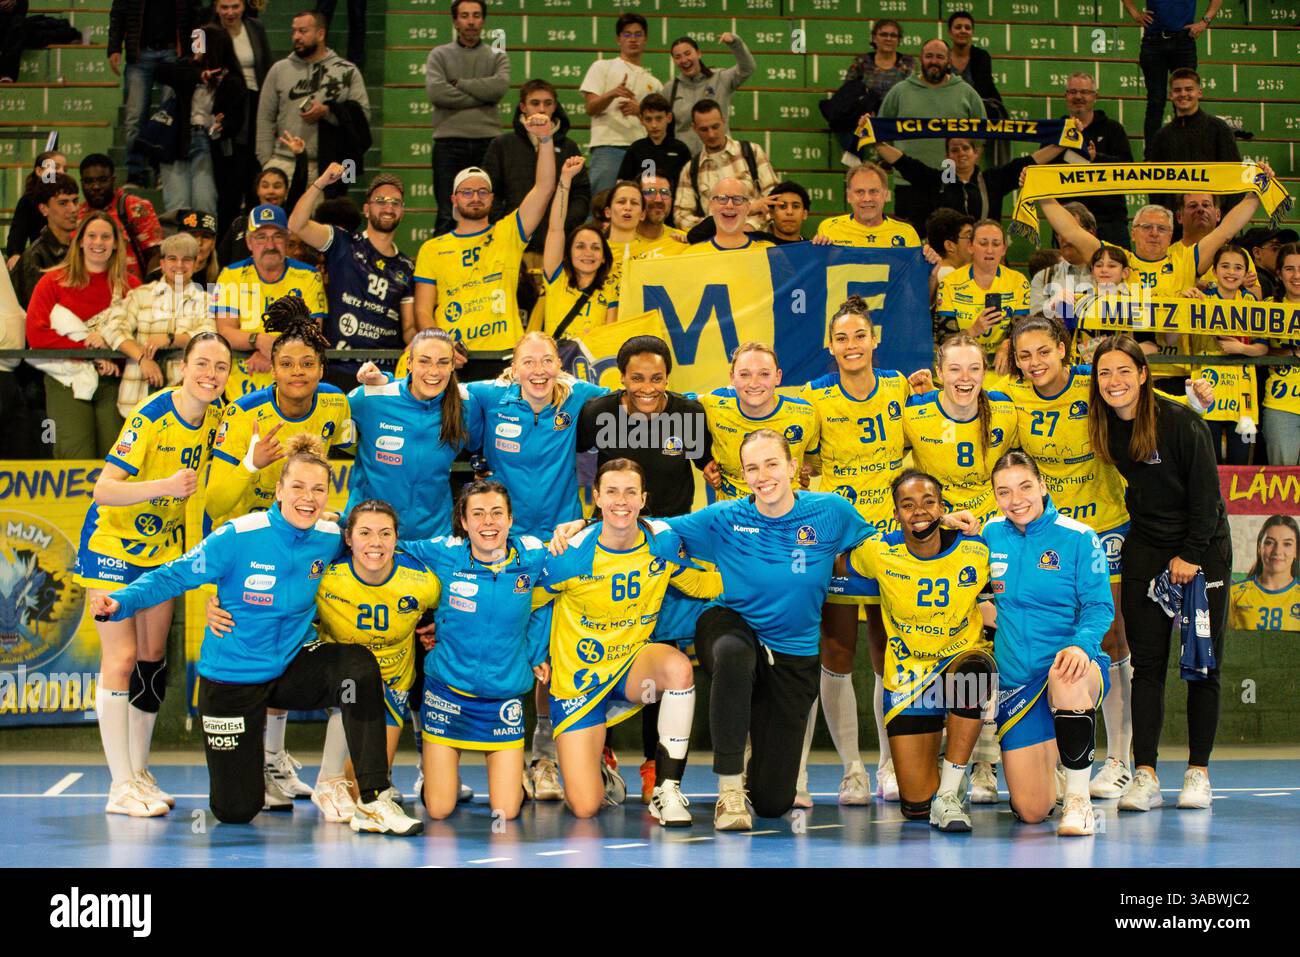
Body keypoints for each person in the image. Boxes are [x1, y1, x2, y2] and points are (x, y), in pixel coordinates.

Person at [91, 433, 422, 834]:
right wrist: (121, 601)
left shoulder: (331, 537)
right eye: (297, 486)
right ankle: (253, 771)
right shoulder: (238, 536)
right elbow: (173, 575)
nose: (308, 497)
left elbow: (380, 556)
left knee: (356, 667)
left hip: (291, 668)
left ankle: (373, 798)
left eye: (318, 489)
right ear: (279, 489)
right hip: (232, 678)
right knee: (235, 809)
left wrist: (428, 616)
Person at [75, 332, 231, 817]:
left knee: (152, 655)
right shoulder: (151, 417)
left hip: (160, 550)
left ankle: (138, 773)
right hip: (111, 547)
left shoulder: (216, 416)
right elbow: (104, 490)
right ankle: (119, 785)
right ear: (183, 366)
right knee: (120, 658)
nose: (210, 374)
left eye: (221, 367)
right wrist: (165, 486)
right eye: (202, 364)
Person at [1088, 335, 1232, 813]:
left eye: (1124, 371)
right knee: (1146, 666)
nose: (1114, 382)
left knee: (1202, 666)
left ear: (1144, 375)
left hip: (1202, 549)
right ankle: (1144, 774)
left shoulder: (1180, 422)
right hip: (1146, 551)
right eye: (1105, 373)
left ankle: (1198, 773)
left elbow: (1208, 498)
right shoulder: (1105, 426)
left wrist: (1191, 555)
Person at [575, 335, 714, 802]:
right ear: (621, 379)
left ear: (669, 379)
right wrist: (582, 525)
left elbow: (712, 469)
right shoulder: (597, 414)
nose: (648, 387)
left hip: (667, 552)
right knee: (604, 650)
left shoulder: (689, 415)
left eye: (657, 378)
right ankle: (601, 753)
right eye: (637, 378)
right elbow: (580, 474)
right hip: (610, 549)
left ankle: (658, 771)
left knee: (665, 655)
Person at [538, 459, 715, 825]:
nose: (622, 500)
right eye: (613, 492)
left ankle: (666, 789)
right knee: (585, 807)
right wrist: (535, 653)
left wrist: (759, 584)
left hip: (631, 673)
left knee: (678, 669)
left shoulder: (661, 542)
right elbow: (530, 601)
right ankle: (598, 767)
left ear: (643, 498)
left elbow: (699, 584)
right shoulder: (568, 553)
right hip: (579, 681)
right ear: (597, 498)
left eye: (631, 492)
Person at [797, 296, 916, 805]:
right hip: (840, 536)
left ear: (875, 339)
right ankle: (852, 769)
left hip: (893, 536)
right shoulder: (813, 396)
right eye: (841, 337)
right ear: (831, 345)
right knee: (837, 650)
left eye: (859, 336)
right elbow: (796, 455)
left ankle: (890, 763)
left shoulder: (899, 385)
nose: (851, 345)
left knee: (890, 651)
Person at [903, 334, 1018, 800]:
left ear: (986, 369)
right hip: (940, 545)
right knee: (942, 648)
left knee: (993, 650)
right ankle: (918, 759)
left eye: (974, 368)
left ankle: (986, 761)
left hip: (994, 546)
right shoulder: (915, 412)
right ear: (939, 370)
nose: (965, 378)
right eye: (955, 369)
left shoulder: (1006, 412)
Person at [848, 470, 993, 832]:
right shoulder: (879, 552)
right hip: (909, 675)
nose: (918, 511)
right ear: (895, 513)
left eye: (929, 503)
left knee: (973, 671)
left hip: (960, 661)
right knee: (914, 806)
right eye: (907, 505)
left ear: (943, 507)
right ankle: (944, 766)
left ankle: (950, 791)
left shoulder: (977, 549)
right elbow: (838, 558)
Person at [400, 481, 550, 820]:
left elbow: (552, 596)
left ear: (511, 520)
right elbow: (386, 548)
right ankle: (440, 776)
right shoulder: (444, 551)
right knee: (439, 809)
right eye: (478, 514)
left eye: (497, 513)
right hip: (446, 692)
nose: (488, 522)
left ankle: (515, 780)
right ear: (464, 523)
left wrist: (537, 650)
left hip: (503, 696)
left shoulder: (533, 555)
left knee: (505, 812)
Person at [985, 451, 1113, 834]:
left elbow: (1099, 607)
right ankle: (1055, 770)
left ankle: (1079, 802)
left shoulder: (1078, 537)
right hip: (1018, 685)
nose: (1016, 499)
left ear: (1042, 485)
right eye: (1003, 492)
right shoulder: (990, 534)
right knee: (1031, 810)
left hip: (1073, 667)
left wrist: (1081, 646)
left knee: (1067, 674)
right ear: (994, 496)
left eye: (1025, 486)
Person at [411, 111, 557, 351]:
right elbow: (423, 310)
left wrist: (545, 139)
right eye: (467, 192)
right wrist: (442, 348)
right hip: (454, 356)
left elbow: (544, 187)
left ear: (491, 198)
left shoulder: (509, 232)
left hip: (504, 353)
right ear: (454, 199)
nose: (475, 197)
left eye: (482, 192)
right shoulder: (432, 248)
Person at [25, 213, 141, 459]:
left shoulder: (132, 286)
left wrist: (110, 348)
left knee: (116, 455)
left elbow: (141, 335)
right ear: (79, 241)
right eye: (92, 236)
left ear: (116, 244)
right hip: (67, 378)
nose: (98, 242)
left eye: (106, 237)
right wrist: (90, 353)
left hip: (115, 380)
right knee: (75, 452)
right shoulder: (52, 282)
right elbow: (36, 335)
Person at [289, 165, 416, 390]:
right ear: (366, 209)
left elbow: (408, 328)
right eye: (381, 201)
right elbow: (296, 225)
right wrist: (321, 183)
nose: (388, 207)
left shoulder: (406, 267)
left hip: (383, 374)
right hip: (339, 367)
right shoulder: (343, 243)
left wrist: (417, 342)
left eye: (395, 202)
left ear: (403, 211)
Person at [347, 330, 476, 542]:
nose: (433, 371)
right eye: (424, 361)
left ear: (453, 365)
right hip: (372, 537)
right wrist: (387, 380)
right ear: (409, 363)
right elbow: (324, 416)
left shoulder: (466, 404)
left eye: (443, 362)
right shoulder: (369, 398)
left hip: (433, 540)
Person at [210, 203, 327, 400]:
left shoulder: (309, 276)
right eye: (261, 237)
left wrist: (273, 353)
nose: (270, 245)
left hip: (294, 391)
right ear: (249, 242)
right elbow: (225, 332)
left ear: (288, 240)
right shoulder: (230, 275)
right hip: (240, 393)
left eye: (277, 237)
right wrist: (258, 340)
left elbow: (313, 331)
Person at [95, 231, 216, 420]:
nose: (179, 265)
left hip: (186, 402)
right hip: (136, 399)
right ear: (162, 264)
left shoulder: (206, 299)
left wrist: (171, 339)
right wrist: (143, 359)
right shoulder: (141, 295)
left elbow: (208, 335)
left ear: (195, 264)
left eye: (186, 259)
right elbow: (113, 327)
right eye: (172, 258)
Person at [876, 39, 986, 230]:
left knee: (953, 242)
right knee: (910, 244)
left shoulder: (966, 93)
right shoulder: (900, 91)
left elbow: (981, 138)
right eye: (929, 56)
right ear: (921, 59)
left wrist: (966, 176)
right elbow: (880, 130)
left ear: (949, 60)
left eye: (939, 57)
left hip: (951, 182)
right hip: (908, 182)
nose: (934, 61)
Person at [256, 10, 370, 188]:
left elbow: (362, 117)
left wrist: (327, 112)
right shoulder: (279, 70)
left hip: (329, 167)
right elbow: (265, 118)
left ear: (320, 34)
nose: (296, 37)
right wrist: (266, 162)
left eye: (302, 31)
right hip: (284, 164)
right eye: (293, 31)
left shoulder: (347, 71)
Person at [425, 0, 510, 236]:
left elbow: (499, 88)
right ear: (455, 21)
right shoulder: (439, 55)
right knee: (446, 212)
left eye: (476, 15)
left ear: (483, 20)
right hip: (448, 143)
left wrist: (459, 84)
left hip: (489, 142)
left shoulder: (497, 54)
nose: (470, 21)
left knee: (490, 210)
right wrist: (483, 96)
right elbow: (437, 93)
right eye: (464, 16)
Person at [483, 79, 589, 261]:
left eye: (548, 103)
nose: (541, 109)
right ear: (523, 107)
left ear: (555, 107)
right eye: (535, 103)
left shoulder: (569, 147)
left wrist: (561, 225)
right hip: (512, 244)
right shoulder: (502, 145)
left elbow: (581, 194)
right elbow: (491, 192)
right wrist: (506, 226)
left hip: (557, 245)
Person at [700, 341, 819, 502]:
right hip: (731, 519)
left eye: (764, 374)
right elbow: (671, 407)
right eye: (744, 374)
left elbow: (814, 467)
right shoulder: (712, 404)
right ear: (732, 377)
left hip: (788, 517)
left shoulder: (805, 414)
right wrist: (704, 462)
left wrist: (801, 473)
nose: (754, 383)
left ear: (778, 377)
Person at [1182, 244, 1265, 464]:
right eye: (1225, 266)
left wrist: (1242, 349)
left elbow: (1263, 347)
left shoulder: (1252, 302)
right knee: (1209, 465)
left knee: (1242, 467)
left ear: (1246, 273)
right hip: (1206, 395)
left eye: (1238, 267)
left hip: (1243, 399)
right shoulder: (1200, 298)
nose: (1231, 272)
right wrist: (1185, 299)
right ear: (1215, 270)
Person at [153, 24, 247, 219]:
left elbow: (236, 120)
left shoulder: (232, 79)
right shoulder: (187, 70)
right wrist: (197, 72)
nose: (195, 47)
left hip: (209, 144)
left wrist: (222, 126)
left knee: (204, 207)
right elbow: (160, 71)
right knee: (177, 207)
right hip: (179, 141)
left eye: (199, 43)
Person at [107, 0, 198, 188]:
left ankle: (163, 173)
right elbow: (118, 14)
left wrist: (199, 48)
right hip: (140, 55)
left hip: (174, 53)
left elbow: (197, 16)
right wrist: (113, 48)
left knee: (170, 119)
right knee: (134, 118)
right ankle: (135, 174)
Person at [873, 136, 1064, 224]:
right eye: (954, 150)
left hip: (987, 253)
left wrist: (1063, 143)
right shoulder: (937, 180)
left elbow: (1029, 162)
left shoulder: (993, 180)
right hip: (948, 258)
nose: (960, 153)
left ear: (976, 153)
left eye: (965, 148)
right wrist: (876, 140)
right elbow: (905, 163)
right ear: (947, 155)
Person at [580, 13, 663, 197]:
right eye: (627, 34)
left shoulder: (654, 83)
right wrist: (612, 94)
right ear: (619, 39)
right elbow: (590, 108)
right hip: (609, 148)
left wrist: (639, 111)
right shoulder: (602, 67)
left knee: (643, 205)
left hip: (643, 150)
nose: (633, 39)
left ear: (645, 39)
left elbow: (662, 122)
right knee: (601, 205)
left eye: (638, 34)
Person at [1122, 0, 1224, 148]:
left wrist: (1204, 21)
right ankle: (1152, 156)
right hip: (1153, 41)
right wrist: (1136, 14)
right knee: (1156, 101)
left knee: (1185, 100)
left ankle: (1185, 153)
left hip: (1184, 40)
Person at [934, 219, 1030, 375]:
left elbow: (1022, 331)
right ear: (971, 247)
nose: (990, 250)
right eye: (983, 243)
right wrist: (973, 330)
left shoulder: (1019, 282)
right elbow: (944, 342)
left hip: (1002, 370)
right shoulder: (950, 284)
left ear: (1004, 249)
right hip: (961, 367)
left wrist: (1007, 346)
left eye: (996, 244)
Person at [209, 0, 273, 232]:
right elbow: (191, 64)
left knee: (253, 173)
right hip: (224, 107)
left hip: (257, 104)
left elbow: (267, 67)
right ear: (216, 7)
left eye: (235, 6)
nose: (230, 12)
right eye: (224, 7)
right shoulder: (202, 31)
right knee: (228, 184)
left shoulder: (256, 28)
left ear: (244, 6)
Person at [537, 157, 619, 338]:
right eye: (580, 246)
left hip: (593, 364)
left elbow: (610, 338)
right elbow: (555, 228)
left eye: (596, 248)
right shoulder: (556, 279)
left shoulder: (610, 290)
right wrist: (565, 179)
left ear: (604, 257)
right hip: (555, 364)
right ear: (568, 253)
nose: (588, 253)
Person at [671, 99, 778, 234]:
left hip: (757, 240)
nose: (711, 134)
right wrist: (720, 227)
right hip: (714, 247)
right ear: (694, 128)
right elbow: (681, 217)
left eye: (715, 127)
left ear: (723, 120)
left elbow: (774, 201)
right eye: (704, 129)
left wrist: (750, 226)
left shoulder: (753, 152)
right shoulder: (690, 169)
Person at [1144, 69, 1240, 214]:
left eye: (1189, 89)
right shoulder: (1162, 136)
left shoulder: (1218, 129)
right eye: (1177, 90)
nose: (1183, 94)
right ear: (1171, 95)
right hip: (1175, 221)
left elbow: (1234, 175)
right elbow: (1156, 186)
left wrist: (1229, 218)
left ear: (1199, 92)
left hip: (1213, 219)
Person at [1062, 73, 1133, 249]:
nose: (1078, 97)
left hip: (1110, 222)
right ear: (1066, 96)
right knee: (1070, 276)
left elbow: (1128, 170)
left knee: (1116, 276)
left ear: (1095, 96)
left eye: (1085, 92)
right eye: (1073, 92)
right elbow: (1044, 170)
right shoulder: (1057, 131)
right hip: (1068, 221)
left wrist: (1096, 159)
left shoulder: (1113, 129)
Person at [826, 20, 913, 161]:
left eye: (893, 35)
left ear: (898, 40)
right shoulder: (862, 61)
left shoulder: (907, 62)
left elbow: (910, 93)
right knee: (845, 123)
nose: (888, 38)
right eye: (883, 34)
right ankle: (857, 166)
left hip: (894, 113)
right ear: (874, 38)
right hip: (864, 115)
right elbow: (848, 91)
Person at [665, 34, 755, 156]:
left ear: (698, 53)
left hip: (720, 157)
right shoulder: (670, 88)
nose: (684, 60)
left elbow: (748, 68)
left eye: (687, 53)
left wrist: (735, 43)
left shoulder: (720, 78)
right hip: (685, 160)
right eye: (678, 57)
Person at [78, 153, 163, 281]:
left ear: (113, 180)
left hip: (132, 292)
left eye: (102, 180)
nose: (96, 187)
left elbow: (155, 254)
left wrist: (148, 291)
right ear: (82, 183)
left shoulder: (136, 207)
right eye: (89, 181)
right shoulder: (77, 214)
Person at [9, 172, 79, 308]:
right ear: (44, 209)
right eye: (63, 203)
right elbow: (38, 312)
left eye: (75, 201)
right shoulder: (34, 258)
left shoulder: (81, 249)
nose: (73, 209)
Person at [812, 163, 921, 249]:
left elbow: (915, 275)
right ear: (849, 196)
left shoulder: (907, 233)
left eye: (873, 191)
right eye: (860, 192)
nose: (867, 198)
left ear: (885, 195)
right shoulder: (829, 229)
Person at [945, 12, 1007, 160]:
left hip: (976, 112)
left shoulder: (981, 56)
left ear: (972, 32)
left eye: (967, 27)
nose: (963, 30)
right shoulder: (943, 55)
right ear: (950, 32)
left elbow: (984, 89)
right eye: (958, 27)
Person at [1028, 202, 1099, 331]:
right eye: (1059, 231)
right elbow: (1034, 327)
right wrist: (1050, 306)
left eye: (1071, 231)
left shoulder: (1112, 274)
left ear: (1091, 234)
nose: (1065, 237)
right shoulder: (1043, 277)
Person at [1261, 243, 1300, 465]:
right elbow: (1256, 348)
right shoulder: (1267, 307)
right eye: (1289, 269)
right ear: (1279, 273)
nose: (1296, 276)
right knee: (1282, 481)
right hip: (1281, 404)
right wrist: (1290, 351)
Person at [1230, 516, 1300, 631]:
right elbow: (1222, 643)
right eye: (1269, 543)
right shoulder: (1234, 594)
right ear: (1259, 548)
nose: (1277, 551)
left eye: (1287, 544)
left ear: (1296, 551)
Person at [216, 166, 293, 267]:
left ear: (286, 191)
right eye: (265, 186)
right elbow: (220, 261)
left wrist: (300, 156)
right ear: (257, 190)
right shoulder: (239, 224)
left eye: (277, 186)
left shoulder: (293, 225)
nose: (271, 191)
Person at [617, 93, 691, 194]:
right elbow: (623, 183)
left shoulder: (680, 149)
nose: (654, 125)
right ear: (642, 120)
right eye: (648, 119)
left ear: (668, 118)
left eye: (659, 118)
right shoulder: (636, 149)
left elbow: (688, 185)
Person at [4, 150, 66, 265]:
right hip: (41, 261)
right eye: (56, 167)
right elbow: (18, 232)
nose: (62, 172)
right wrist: (15, 254)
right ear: (39, 171)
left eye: (64, 169)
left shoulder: (68, 200)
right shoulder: (28, 201)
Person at [924, 208, 974, 302]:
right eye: (969, 236)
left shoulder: (936, 272)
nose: (974, 241)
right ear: (950, 245)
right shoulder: (948, 276)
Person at [1240, 226, 1298, 302]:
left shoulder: (1272, 280)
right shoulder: (1259, 281)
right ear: (1257, 252)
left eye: (1286, 249)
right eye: (1276, 248)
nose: (1283, 254)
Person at [0, 0, 26, 83]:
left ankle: (7, 74)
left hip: (11, 20)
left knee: (17, 23)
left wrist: (14, 2)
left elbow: (23, 6)